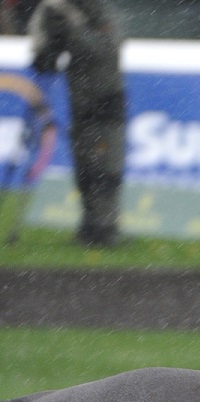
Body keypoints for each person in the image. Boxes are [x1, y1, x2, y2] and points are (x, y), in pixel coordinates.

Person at [29, 0, 124, 247]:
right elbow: (46, 61)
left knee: (104, 169)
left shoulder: (103, 20)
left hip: (105, 110)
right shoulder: (68, 16)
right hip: (82, 107)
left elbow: (102, 49)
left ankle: (105, 228)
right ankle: (90, 226)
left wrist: (71, 26)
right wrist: (50, 42)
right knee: (85, 169)